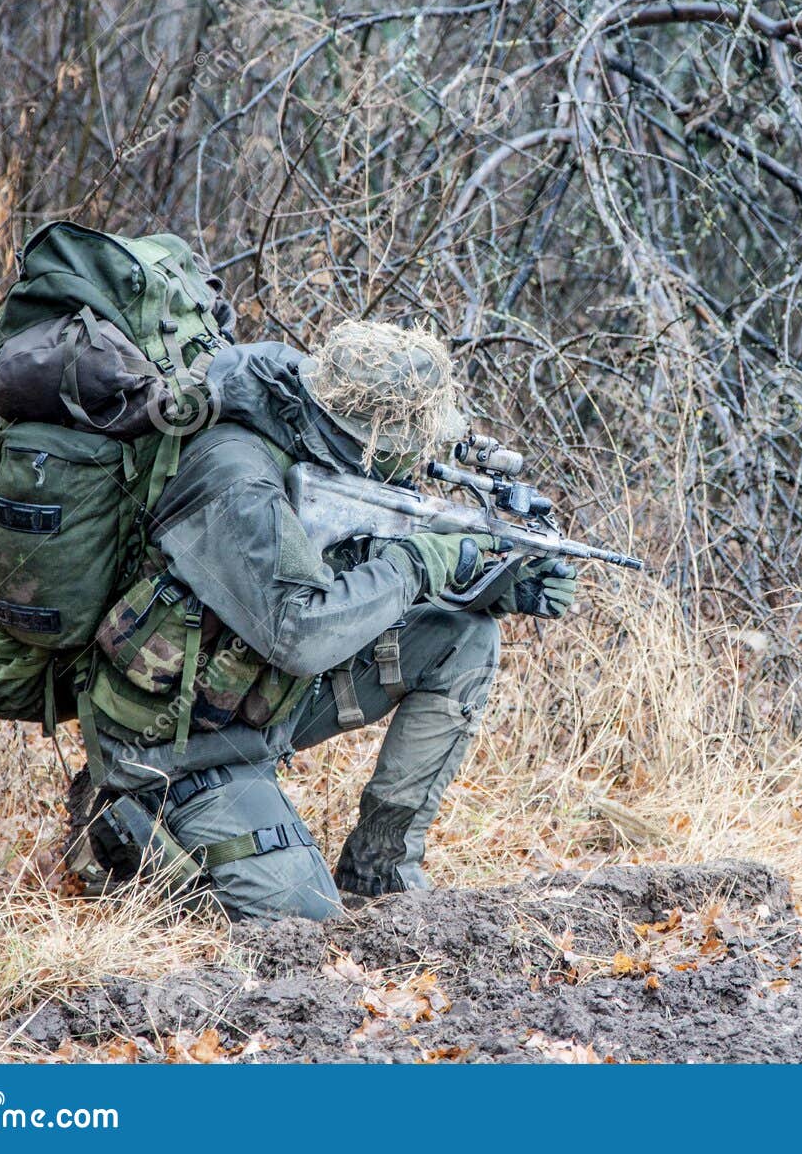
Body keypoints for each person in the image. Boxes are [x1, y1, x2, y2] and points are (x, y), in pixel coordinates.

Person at [66, 321, 578, 920]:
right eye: (405, 445)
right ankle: (120, 824)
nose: (416, 459)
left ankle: (379, 870)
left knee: (460, 637)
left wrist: (494, 585)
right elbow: (300, 634)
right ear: (370, 435)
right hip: (174, 743)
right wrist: (418, 563)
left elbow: (352, 576)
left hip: (254, 704)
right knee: (305, 919)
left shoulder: (321, 450)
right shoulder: (240, 477)